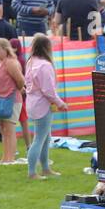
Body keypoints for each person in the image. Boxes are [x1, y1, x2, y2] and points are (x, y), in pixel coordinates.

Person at [24, 34, 68, 180]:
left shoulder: (31, 61)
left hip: (33, 103)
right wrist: (60, 103)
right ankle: (32, 172)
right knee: (40, 138)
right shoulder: (45, 65)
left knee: (45, 137)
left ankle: (45, 168)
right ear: (47, 47)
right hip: (43, 105)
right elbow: (48, 91)